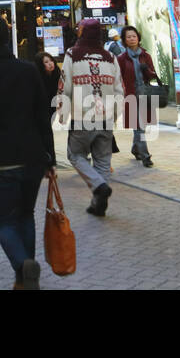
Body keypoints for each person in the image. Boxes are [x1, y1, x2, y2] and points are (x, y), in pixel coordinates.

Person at [0, 13, 56, 289]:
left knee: (6, 222)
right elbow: (43, 116)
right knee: (26, 215)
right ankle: (26, 276)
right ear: (8, 37)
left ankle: (22, 266)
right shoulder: (29, 70)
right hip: (32, 156)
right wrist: (49, 157)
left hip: (2, 158)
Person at [59, 18, 123, 218]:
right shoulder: (111, 57)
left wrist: (62, 113)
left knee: (75, 155)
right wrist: (115, 114)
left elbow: (65, 85)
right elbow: (119, 89)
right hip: (105, 119)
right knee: (103, 160)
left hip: (82, 117)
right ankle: (98, 203)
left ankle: (99, 186)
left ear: (83, 32)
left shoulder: (73, 54)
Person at [113, 26, 159, 168]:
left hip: (144, 93)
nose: (132, 39)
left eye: (134, 36)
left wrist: (148, 71)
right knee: (138, 127)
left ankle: (135, 148)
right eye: (128, 37)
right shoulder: (121, 58)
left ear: (138, 38)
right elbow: (118, 78)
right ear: (124, 40)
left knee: (141, 126)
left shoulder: (146, 56)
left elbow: (153, 75)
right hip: (130, 95)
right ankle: (146, 156)